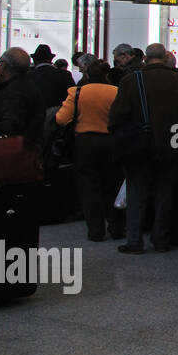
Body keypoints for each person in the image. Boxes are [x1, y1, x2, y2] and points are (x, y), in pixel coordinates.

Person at [107, 43, 178, 254]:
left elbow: (117, 116)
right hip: (172, 144)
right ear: (165, 58)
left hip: (138, 145)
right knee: (165, 194)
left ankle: (134, 241)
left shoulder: (131, 80)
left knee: (136, 192)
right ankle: (161, 238)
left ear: (145, 58)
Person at [55, 59, 122, 242]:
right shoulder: (116, 92)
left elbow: (61, 119)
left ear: (87, 75)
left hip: (85, 143)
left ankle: (95, 230)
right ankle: (116, 226)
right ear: (107, 75)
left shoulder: (77, 92)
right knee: (112, 185)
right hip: (111, 142)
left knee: (88, 187)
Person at [0, 48, 44, 143]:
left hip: (6, 150)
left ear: (3, 66)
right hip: (28, 147)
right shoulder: (29, 86)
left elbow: (11, 124)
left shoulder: (14, 92)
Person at [29, 43, 74, 112]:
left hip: (34, 115)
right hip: (58, 115)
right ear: (50, 59)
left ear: (35, 60)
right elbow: (71, 97)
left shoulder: (29, 76)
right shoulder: (65, 75)